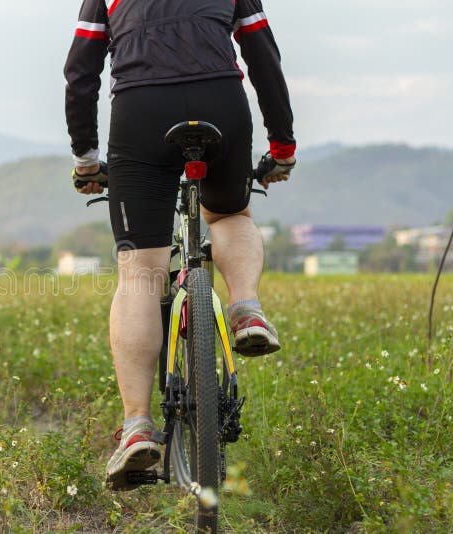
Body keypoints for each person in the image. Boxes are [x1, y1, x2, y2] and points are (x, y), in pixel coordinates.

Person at [63, 0, 296, 490]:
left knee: (140, 270)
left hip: (141, 111)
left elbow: (81, 71)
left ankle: (137, 427)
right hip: (220, 100)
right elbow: (262, 54)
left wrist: (86, 159)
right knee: (229, 214)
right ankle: (247, 310)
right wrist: (282, 147)